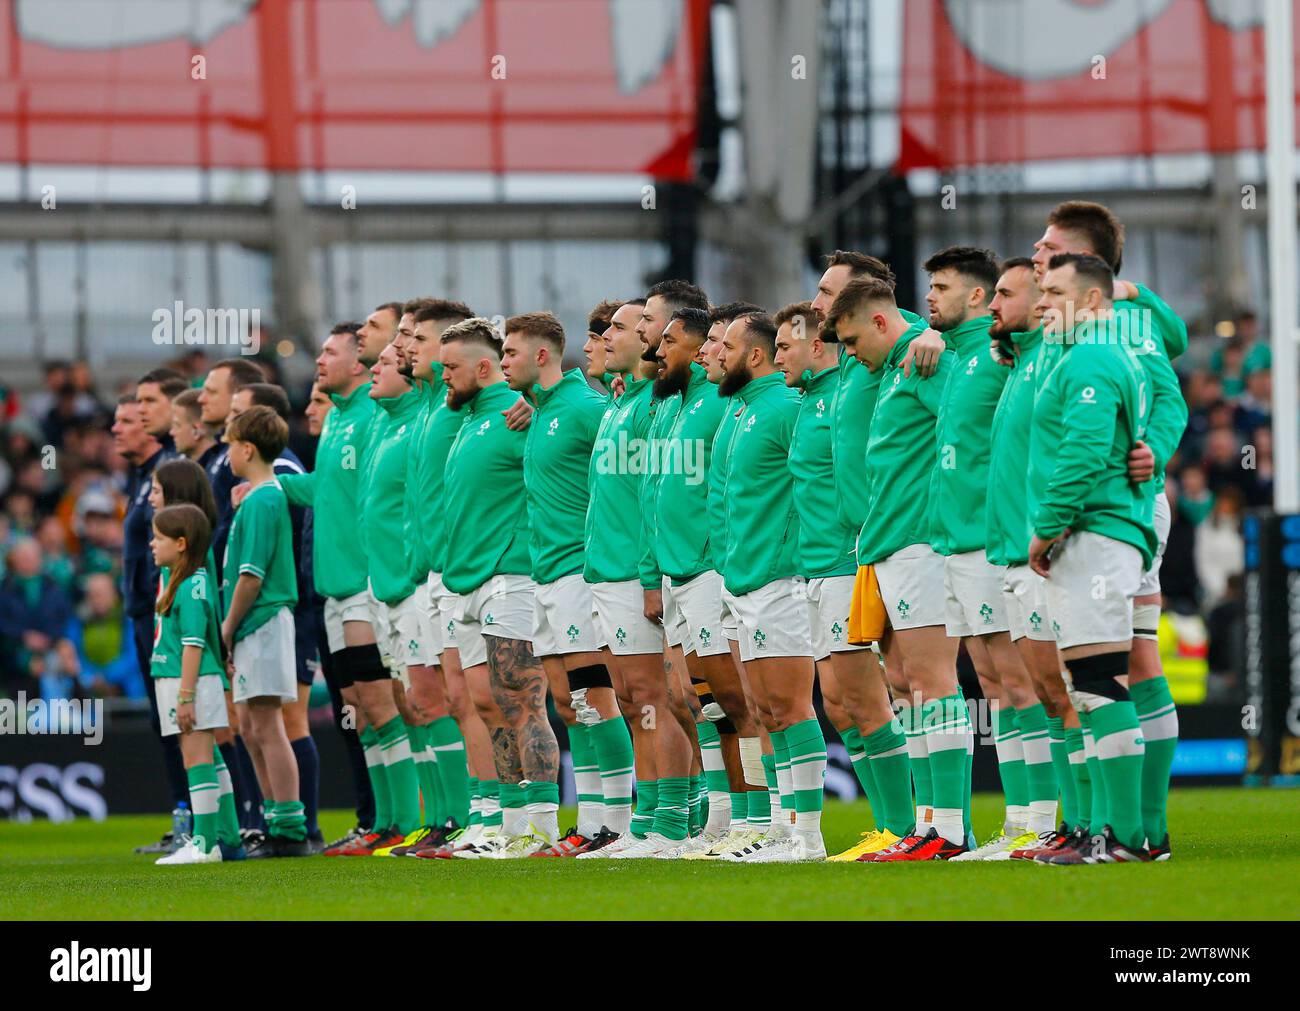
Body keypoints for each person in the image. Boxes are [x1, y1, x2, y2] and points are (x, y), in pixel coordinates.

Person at [1030, 201, 1187, 860]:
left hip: (1109, 513)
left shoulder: (1121, 327)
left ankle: (1135, 829)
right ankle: (1114, 827)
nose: (1038, 254)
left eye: (1050, 251)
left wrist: (1148, 448)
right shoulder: (1059, 332)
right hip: (1084, 516)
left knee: (1116, 669)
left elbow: (1167, 397)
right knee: (1076, 678)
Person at [828, 275, 962, 861]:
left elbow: (965, 426)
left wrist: (934, 334)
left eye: (853, 338)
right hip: (886, 545)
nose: (849, 353)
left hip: (919, 541)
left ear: (881, 321)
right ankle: (929, 825)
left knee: (933, 683)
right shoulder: (885, 370)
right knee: (909, 684)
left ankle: (950, 830)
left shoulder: (921, 356)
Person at [502, 310, 635, 857]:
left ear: (540, 356)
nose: (503, 363)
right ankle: (590, 823)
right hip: (546, 574)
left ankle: (618, 824)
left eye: (510, 353)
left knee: (596, 698)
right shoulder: (542, 410)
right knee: (566, 701)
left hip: (582, 570)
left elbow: (622, 479)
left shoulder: (587, 408)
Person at [439, 317, 559, 858]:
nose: (442, 377)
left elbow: (577, 425)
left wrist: (539, 408)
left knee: (522, 700)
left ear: (482, 367)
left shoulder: (521, 416)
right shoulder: (466, 418)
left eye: (449, 368)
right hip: (465, 579)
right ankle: (510, 829)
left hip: (511, 574)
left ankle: (543, 825)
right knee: (487, 706)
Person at [715, 311, 827, 863]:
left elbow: (819, 478)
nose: (716, 355)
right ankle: (779, 829)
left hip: (780, 580)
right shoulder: (740, 412)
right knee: (761, 712)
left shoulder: (787, 408)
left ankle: (806, 836)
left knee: (789, 707)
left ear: (750, 355)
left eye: (725, 346)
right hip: (742, 582)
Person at [278, 324, 393, 856]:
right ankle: (381, 821)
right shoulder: (340, 420)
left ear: (358, 363)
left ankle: (411, 820)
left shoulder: (374, 414)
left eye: (330, 351)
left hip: (366, 584)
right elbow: (326, 491)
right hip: (333, 589)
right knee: (357, 706)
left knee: (387, 704)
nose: (319, 359)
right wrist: (268, 483)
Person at [220, 405, 308, 858]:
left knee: (268, 725)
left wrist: (227, 626)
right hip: (260, 623)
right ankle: (274, 818)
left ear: (248, 448)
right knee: (254, 726)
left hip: (264, 619)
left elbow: (250, 576)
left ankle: (290, 827)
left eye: (230, 443)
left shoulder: (263, 500)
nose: (227, 451)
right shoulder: (261, 496)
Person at [113, 394, 190, 852]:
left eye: (137, 413)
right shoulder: (143, 478)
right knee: (167, 721)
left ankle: (205, 819)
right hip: (146, 612)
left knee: (183, 719)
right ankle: (184, 817)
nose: (122, 426)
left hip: (164, 609)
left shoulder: (169, 473)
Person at [148, 504, 244, 865]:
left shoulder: (190, 584)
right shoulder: (188, 578)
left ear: (182, 543)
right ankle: (229, 838)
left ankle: (204, 844)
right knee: (211, 757)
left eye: (160, 538)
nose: (152, 544)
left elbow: (193, 642)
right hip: (184, 679)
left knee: (196, 758)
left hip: (188, 681)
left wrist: (185, 695)